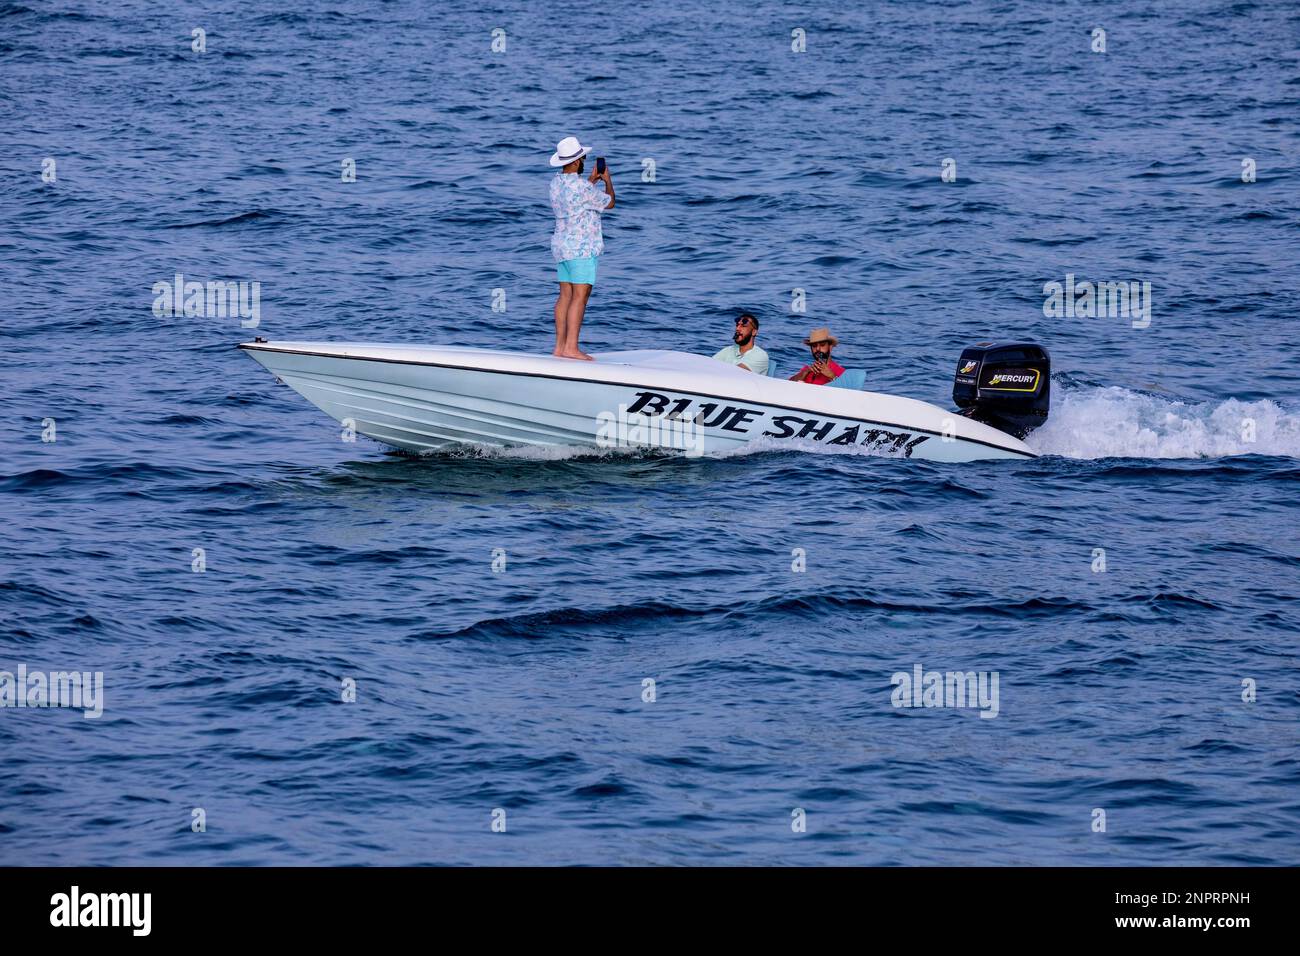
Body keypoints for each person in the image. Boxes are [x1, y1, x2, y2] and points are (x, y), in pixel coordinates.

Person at [549, 136, 615, 360]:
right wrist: (606, 180)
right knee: (580, 295)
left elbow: (579, 195)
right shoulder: (582, 188)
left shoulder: (556, 183)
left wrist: (590, 181)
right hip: (582, 247)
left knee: (565, 295)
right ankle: (571, 347)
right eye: (583, 158)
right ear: (577, 161)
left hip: (561, 246)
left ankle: (559, 347)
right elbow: (609, 202)